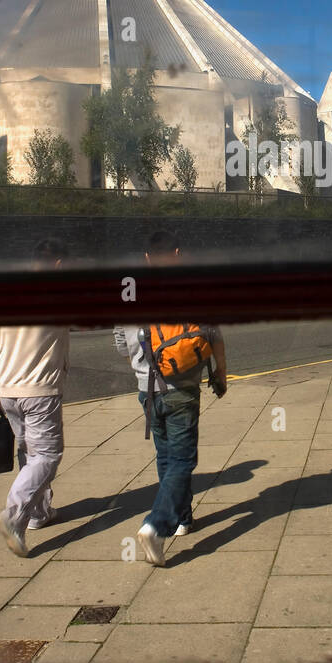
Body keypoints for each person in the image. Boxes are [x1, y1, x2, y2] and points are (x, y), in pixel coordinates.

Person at [113, 229, 227, 567]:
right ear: (177, 253)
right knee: (182, 460)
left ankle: (182, 519)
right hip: (183, 388)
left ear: (147, 257)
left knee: (166, 457)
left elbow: (120, 340)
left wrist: (141, 367)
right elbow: (213, 333)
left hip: (146, 390)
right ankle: (156, 524)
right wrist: (220, 375)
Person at [0, 238, 70, 557]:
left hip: (6, 389)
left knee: (28, 452)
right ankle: (14, 516)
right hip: (39, 389)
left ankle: (39, 513)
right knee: (47, 455)